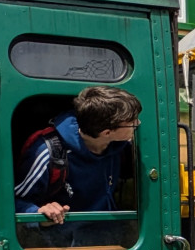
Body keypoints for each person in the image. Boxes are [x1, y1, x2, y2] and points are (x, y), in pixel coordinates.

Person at [13, 86, 141, 240]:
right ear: (106, 132)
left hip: (110, 236)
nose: (138, 123)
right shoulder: (48, 153)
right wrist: (39, 212)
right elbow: (15, 202)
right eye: (132, 123)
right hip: (66, 245)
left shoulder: (120, 146)